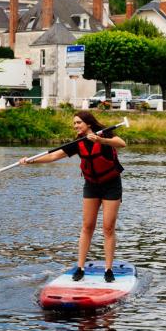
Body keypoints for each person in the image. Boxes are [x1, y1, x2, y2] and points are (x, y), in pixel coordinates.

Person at [21, 110, 127, 283]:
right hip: (92, 185)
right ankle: (80, 267)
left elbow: (121, 143)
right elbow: (54, 155)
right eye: (74, 123)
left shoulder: (104, 134)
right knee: (87, 226)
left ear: (88, 124)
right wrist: (31, 161)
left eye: (78, 123)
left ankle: (108, 269)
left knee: (108, 227)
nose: (75, 126)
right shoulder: (77, 142)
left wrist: (101, 140)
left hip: (111, 185)